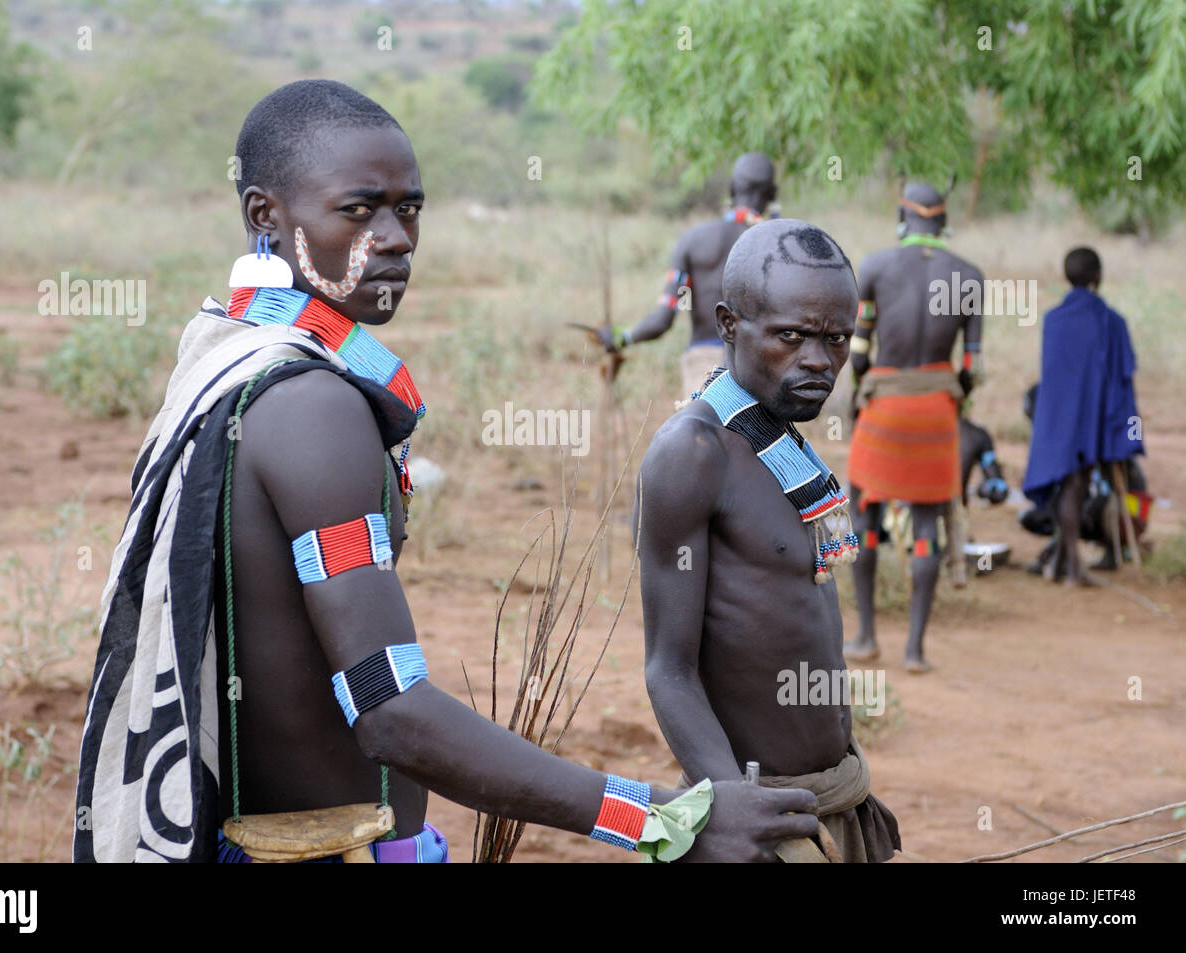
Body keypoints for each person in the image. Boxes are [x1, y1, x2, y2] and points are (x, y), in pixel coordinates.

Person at [73, 80, 821, 864]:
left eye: (410, 209)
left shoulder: (232, 353)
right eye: (359, 211)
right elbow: (390, 712)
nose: (395, 237)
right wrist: (660, 820)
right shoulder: (311, 407)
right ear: (266, 216)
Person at [636, 218, 901, 863]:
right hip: (757, 810)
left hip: (828, 796)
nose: (819, 360)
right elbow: (670, 670)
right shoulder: (693, 453)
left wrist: (850, 790)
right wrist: (736, 813)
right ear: (728, 325)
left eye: (837, 339)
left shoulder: (775, 437)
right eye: (791, 336)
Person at [843, 181, 983, 673]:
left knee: (866, 519)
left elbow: (858, 352)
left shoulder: (877, 267)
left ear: (904, 219)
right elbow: (971, 366)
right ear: (943, 223)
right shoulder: (969, 275)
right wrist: (949, 393)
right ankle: (915, 650)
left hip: (884, 409)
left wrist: (864, 390)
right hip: (936, 413)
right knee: (927, 529)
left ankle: (864, 637)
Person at [599, 152, 780, 398]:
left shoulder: (693, 241)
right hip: (755, 371)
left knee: (698, 436)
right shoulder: (776, 248)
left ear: (731, 188)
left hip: (702, 370)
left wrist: (622, 336)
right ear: (772, 194)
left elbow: (663, 320)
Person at [1022, 249, 1145, 583]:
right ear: (1097, 276)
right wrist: (1130, 432)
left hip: (1057, 419)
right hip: (1092, 418)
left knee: (1069, 485)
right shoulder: (1111, 321)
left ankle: (1061, 563)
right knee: (1076, 485)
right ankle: (1073, 567)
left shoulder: (1053, 320)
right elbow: (1123, 379)